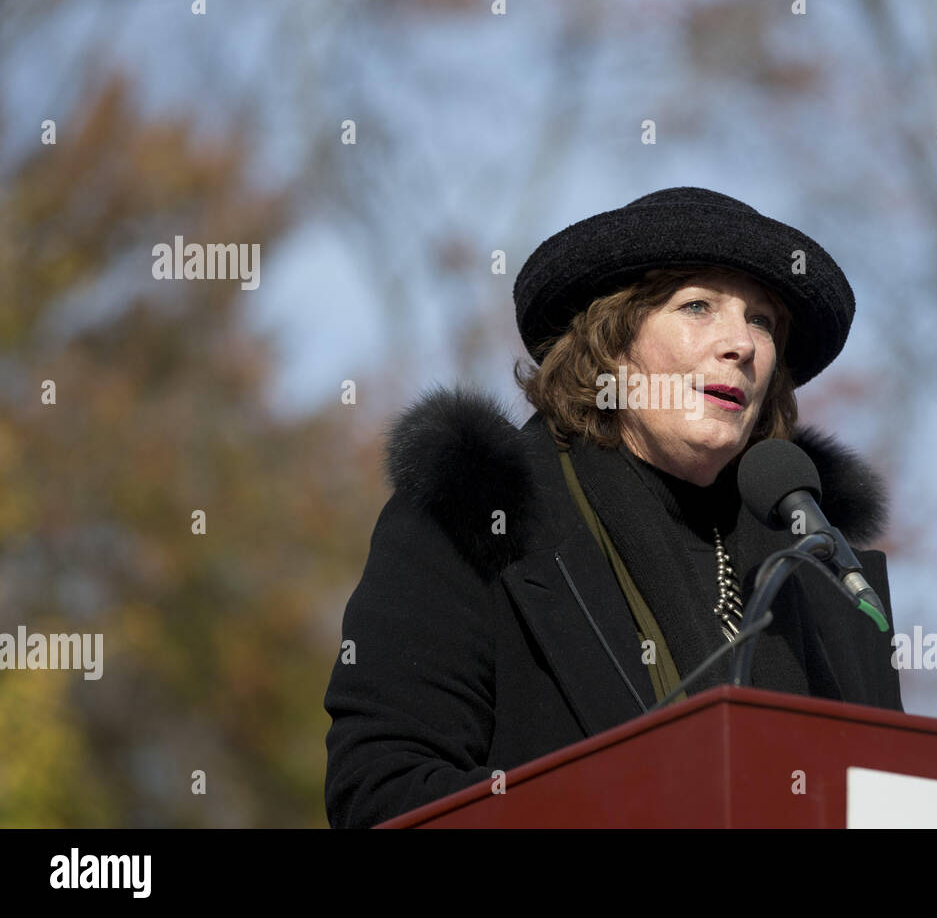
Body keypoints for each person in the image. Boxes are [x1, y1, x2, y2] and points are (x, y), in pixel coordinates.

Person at [323, 186, 903, 829]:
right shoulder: (476, 514)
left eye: (763, 320)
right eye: (698, 306)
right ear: (610, 342)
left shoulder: (824, 573)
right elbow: (381, 789)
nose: (741, 343)